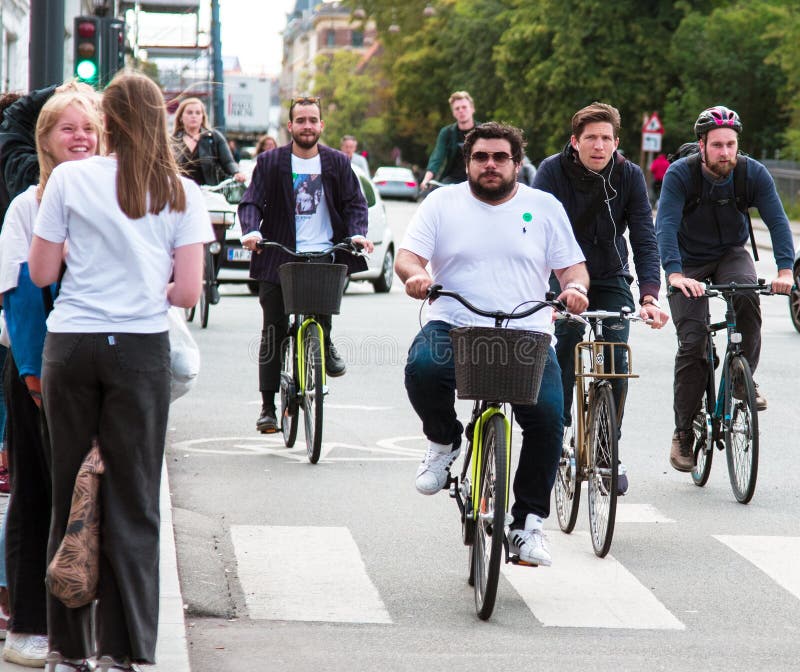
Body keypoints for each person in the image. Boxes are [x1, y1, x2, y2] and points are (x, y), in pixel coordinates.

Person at [28, 71, 212, 671]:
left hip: (72, 346)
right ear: (160, 120)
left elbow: (41, 274)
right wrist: (142, 281)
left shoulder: (69, 181)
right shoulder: (181, 193)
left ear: (105, 122)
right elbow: (186, 293)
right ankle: (122, 650)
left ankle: (66, 647)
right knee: (135, 499)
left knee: (68, 492)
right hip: (138, 348)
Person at [396, 122, 589, 566]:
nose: (490, 165)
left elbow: (573, 269)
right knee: (423, 368)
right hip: (455, 323)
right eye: (481, 157)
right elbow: (408, 256)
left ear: (516, 164)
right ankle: (444, 442)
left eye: (500, 157)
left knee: (547, 420)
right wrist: (417, 276)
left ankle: (527, 525)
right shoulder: (442, 202)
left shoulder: (544, 207)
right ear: (467, 161)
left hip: (527, 332)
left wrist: (576, 289)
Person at [0, 86, 102, 669]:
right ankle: (29, 625)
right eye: (67, 129)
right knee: (38, 491)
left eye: (88, 129)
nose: (80, 138)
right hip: (37, 370)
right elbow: (22, 298)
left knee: (89, 495)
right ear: (43, 140)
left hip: (98, 367)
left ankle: (86, 621)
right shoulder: (26, 205)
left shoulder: (116, 199)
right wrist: (36, 378)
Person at [533, 102, 669, 495]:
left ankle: (608, 447)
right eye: (590, 137)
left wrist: (649, 295)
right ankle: (554, 438)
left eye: (606, 138)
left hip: (609, 277)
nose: (598, 145)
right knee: (563, 354)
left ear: (616, 142)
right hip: (560, 278)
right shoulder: (551, 172)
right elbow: (535, 232)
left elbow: (644, 236)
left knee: (616, 359)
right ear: (575, 142)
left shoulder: (628, 175)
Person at [655, 105, 794, 472]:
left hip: (731, 253)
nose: (725, 152)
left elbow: (778, 222)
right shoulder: (680, 175)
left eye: (731, 144)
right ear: (701, 145)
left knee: (748, 293)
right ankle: (684, 432)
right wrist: (674, 274)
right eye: (717, 145)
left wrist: (786, 270)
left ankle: (740, 375)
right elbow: (665, 224)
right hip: (688, 263)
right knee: (693, 340)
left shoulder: (752, 173)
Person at [238, 96, 374, 434]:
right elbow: (251, 201)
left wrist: (357, 235)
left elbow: (356, 203)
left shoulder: (337, 163)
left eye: (313, 120)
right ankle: (268, 407)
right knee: (274, 331)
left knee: (322, 310)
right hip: (278, 255)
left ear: (322, 125)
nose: (308, 126)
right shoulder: (270, 162)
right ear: (290, 126)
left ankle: (323, 341)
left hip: (325, 253)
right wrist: (252, 231)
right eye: (301, 120)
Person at [171, 97, 245, 186]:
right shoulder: (172, 140)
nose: (194, 116)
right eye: (189, 112)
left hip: (209, 192)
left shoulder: (214, 137)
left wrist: (236, 172)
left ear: (203, 117)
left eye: (198, 113)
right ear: (181, 117)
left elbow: (228, 162)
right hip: (181, 192)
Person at [419, 91, 479, 190]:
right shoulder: (447, 133)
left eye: (464, 107)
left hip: (476, 180)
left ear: (472, 109)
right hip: (452, 180)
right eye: (457, 108)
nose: (461, 111)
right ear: (453, 113)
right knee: (435, 196)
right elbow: (437, 157)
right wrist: (426, 179)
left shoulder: (482, 131)